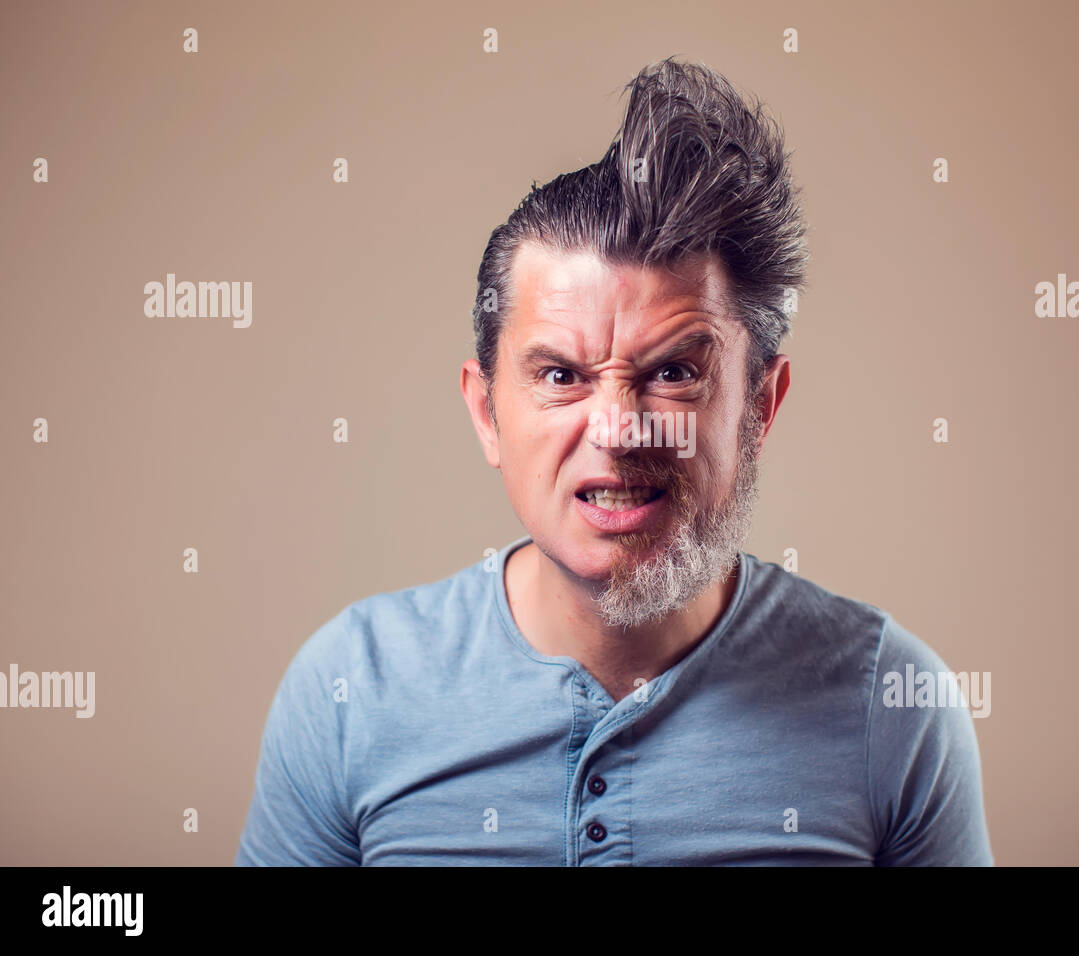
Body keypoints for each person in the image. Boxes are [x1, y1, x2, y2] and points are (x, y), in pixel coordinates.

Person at [235, 56, 993, 866]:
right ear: (486, 411)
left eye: (672, 372)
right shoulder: (349, 691)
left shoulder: (893, 705)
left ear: (760, 409)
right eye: (560, 376)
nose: (619, 431)